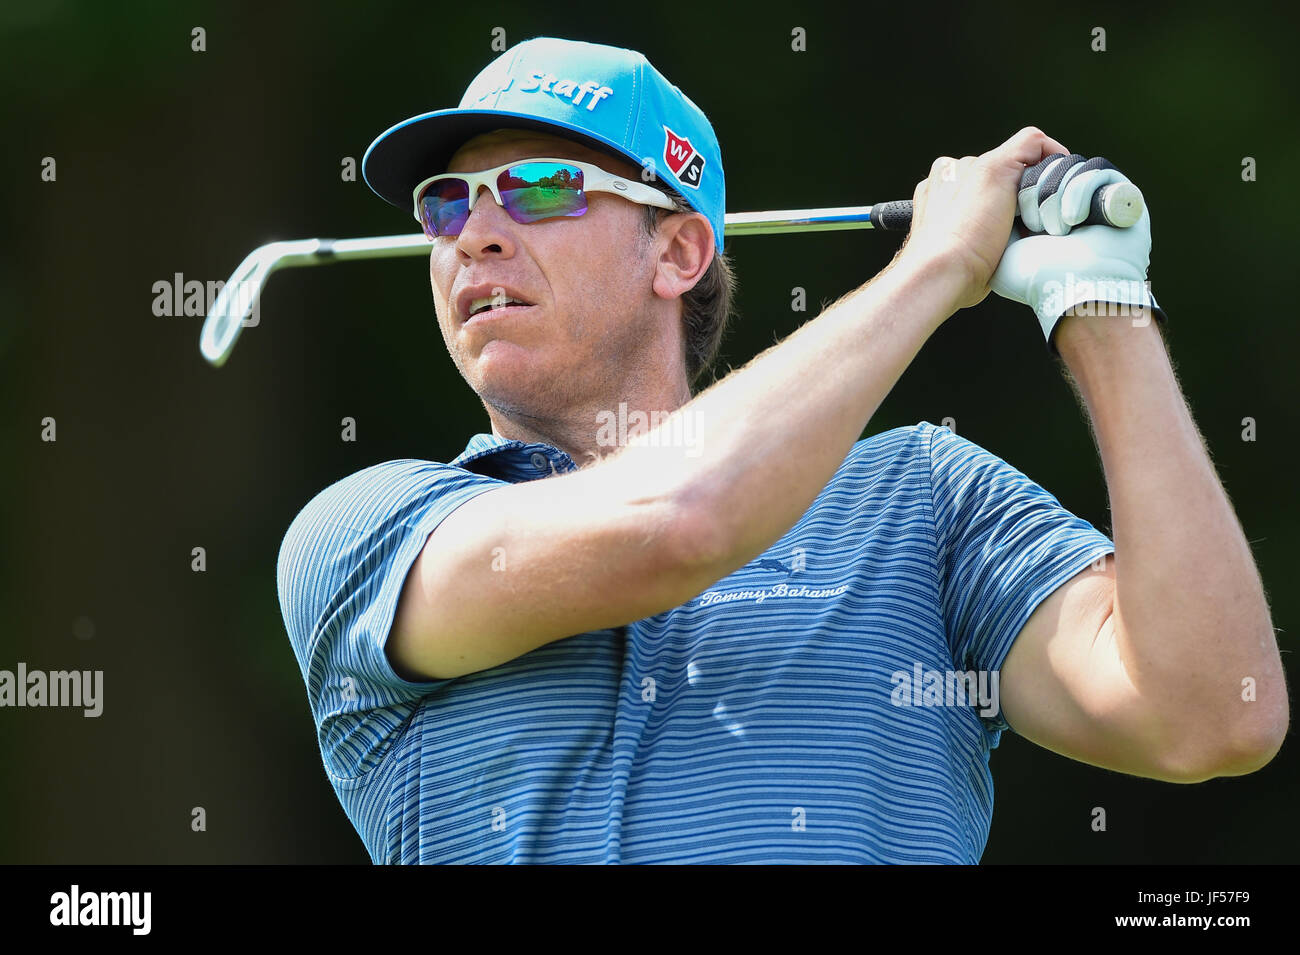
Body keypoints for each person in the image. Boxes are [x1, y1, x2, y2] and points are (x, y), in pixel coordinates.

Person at [276, 36, 1287, 863]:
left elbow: (1209, 715)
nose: (474, 234)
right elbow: (678, 522)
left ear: (676, 250)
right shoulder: (363, 532)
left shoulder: (926, 500)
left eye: (539, 187)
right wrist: (935, 267)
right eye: (448, 204)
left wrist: (1097, 298)